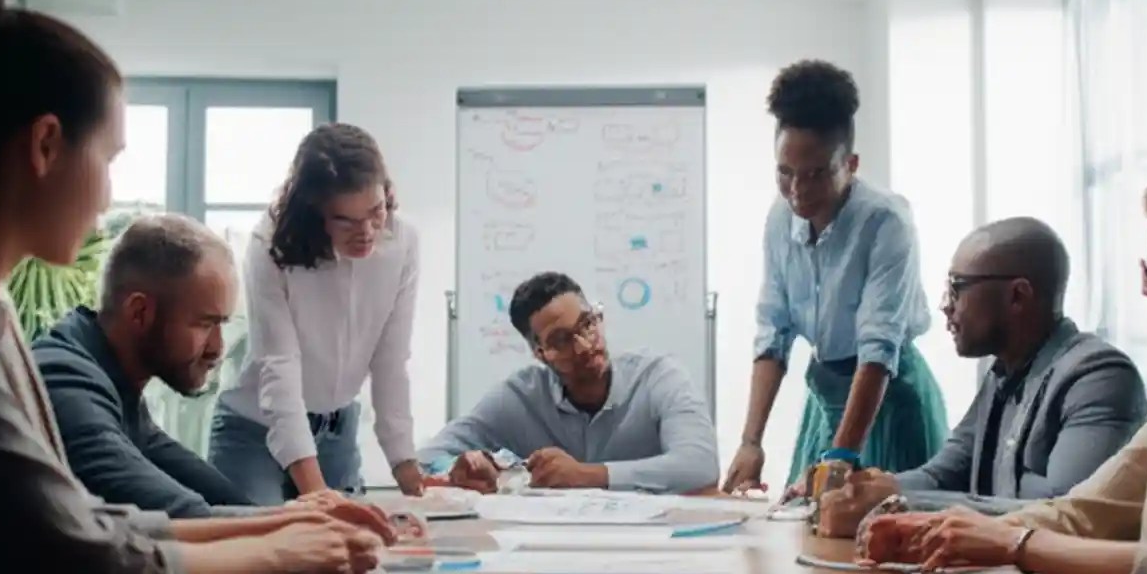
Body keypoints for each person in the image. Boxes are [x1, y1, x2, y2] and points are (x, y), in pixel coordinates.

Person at [0, 0, 389, 574]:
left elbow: (101, 518)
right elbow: (75, 549)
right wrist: (282, 547)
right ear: (46, 145)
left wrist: (284, 524)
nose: (107, 197)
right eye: (112, 159)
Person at [860, 153, 1147, 574]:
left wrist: (1014, 544)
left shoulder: (1098, 372)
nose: (1146, 289)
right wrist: (932, 531)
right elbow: (1083, 512)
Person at [810, 217, 1147, 537]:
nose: (946, 305)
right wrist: (860, 491)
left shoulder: (1098, 378)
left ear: (1018, 295)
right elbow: (942, 474)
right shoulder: (1003, 372)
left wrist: (896, 505)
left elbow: (1064, 517)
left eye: (958, 288)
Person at [723, 59, 948, 494]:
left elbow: (878, 349)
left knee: (878, 534)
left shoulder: (885, 222)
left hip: (887, 394)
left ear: (852, 164)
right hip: (826, 394)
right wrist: (751, 442)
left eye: (816, 174)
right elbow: (773, 331)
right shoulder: (779, 218)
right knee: (804, 522)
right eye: (784, 173)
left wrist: (841, 459)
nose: (797, 191)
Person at [208, 124, 424, 504]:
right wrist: (318, 495)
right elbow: (280, 364)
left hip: (336, 428)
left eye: (376, 211)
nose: (367, 232)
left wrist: (408, 471)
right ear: (313, 212)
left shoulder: (403, 242)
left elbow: (391, 361)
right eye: (345, 220)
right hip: (255, 427)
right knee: (262, 548)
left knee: (356, 550)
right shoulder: (270, 244)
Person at [35, 214, 286, 516]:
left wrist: (298, 518)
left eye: (222, 325)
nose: (218, 348)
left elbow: (222, 501)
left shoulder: (115, 382)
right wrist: (305, 527)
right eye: (205, 324)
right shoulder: (67, 382)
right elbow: (183, 516)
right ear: (139, 312)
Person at [418, 272, 718, 495]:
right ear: (539, 353)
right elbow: (427, 458)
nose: (584, 346)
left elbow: (700, 465)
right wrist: (460, 469)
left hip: (655, 547)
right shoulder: (518, 398)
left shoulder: (658, 377)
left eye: (588, 324)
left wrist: (586, 475)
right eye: (561, 340)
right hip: (548, 547)